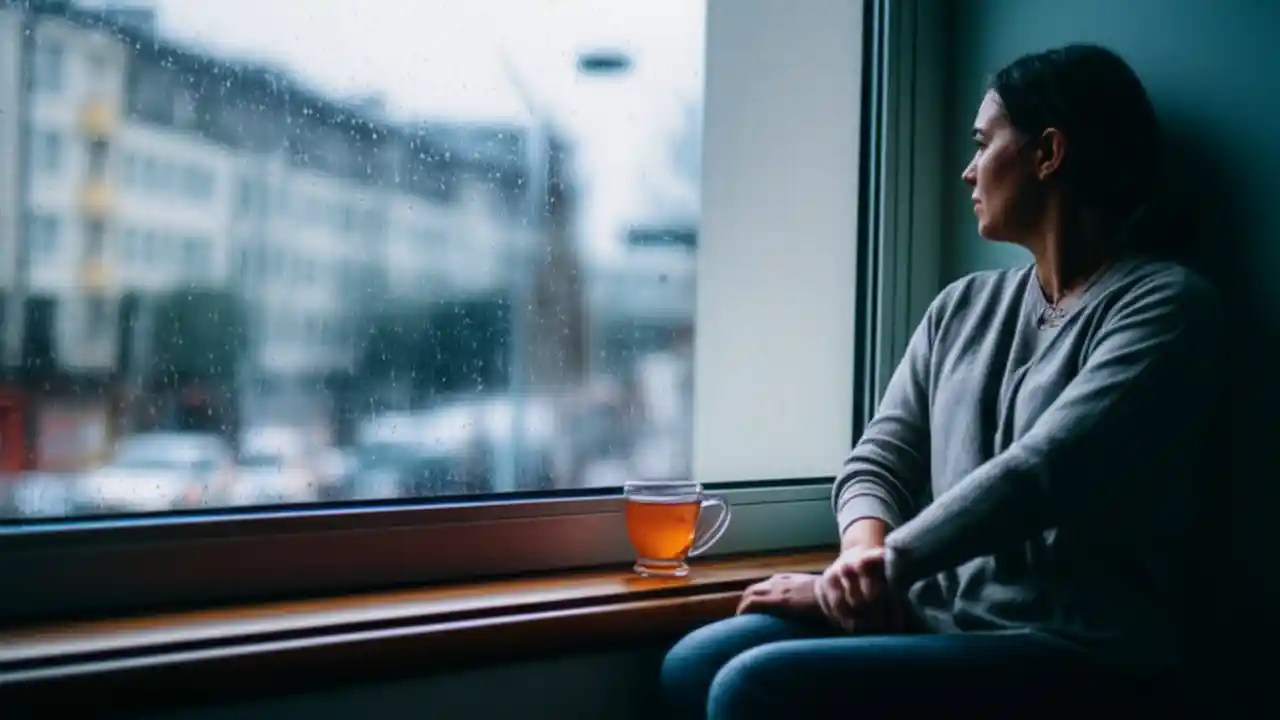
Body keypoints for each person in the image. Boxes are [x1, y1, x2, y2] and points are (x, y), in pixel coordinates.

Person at [661, 44, 1221, 719]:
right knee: (692, 662)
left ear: (1048, 153)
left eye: (983, 144)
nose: (967, 171)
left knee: (753, 687)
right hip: (931, 617)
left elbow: (1044, 472)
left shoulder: (1166, 305)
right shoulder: (962, 306)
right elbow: (879, 460)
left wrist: (884, 567)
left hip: (1072, 648)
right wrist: (860, 563)